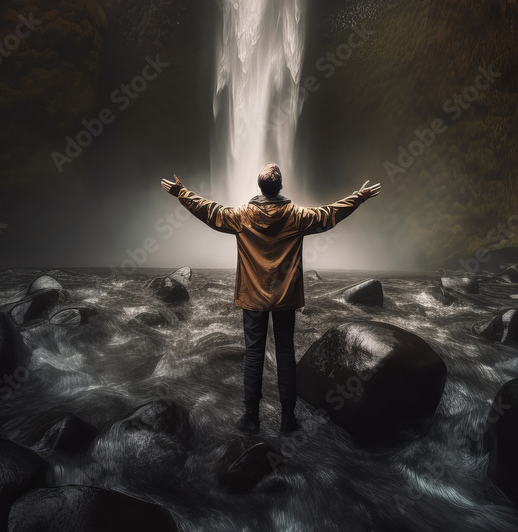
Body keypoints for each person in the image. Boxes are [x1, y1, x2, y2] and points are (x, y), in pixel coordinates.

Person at [160, 163, 381, 435]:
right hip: (285, 298)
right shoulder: (297, 216)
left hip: (252, 298)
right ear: (280, 187)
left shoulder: (241, 216)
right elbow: (330, 214)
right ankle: (288, 420)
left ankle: (251, 419)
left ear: (260, 187)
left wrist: (181, 192)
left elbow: (209, 211)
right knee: (286, 354)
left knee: (254, 357)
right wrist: (358, 197)